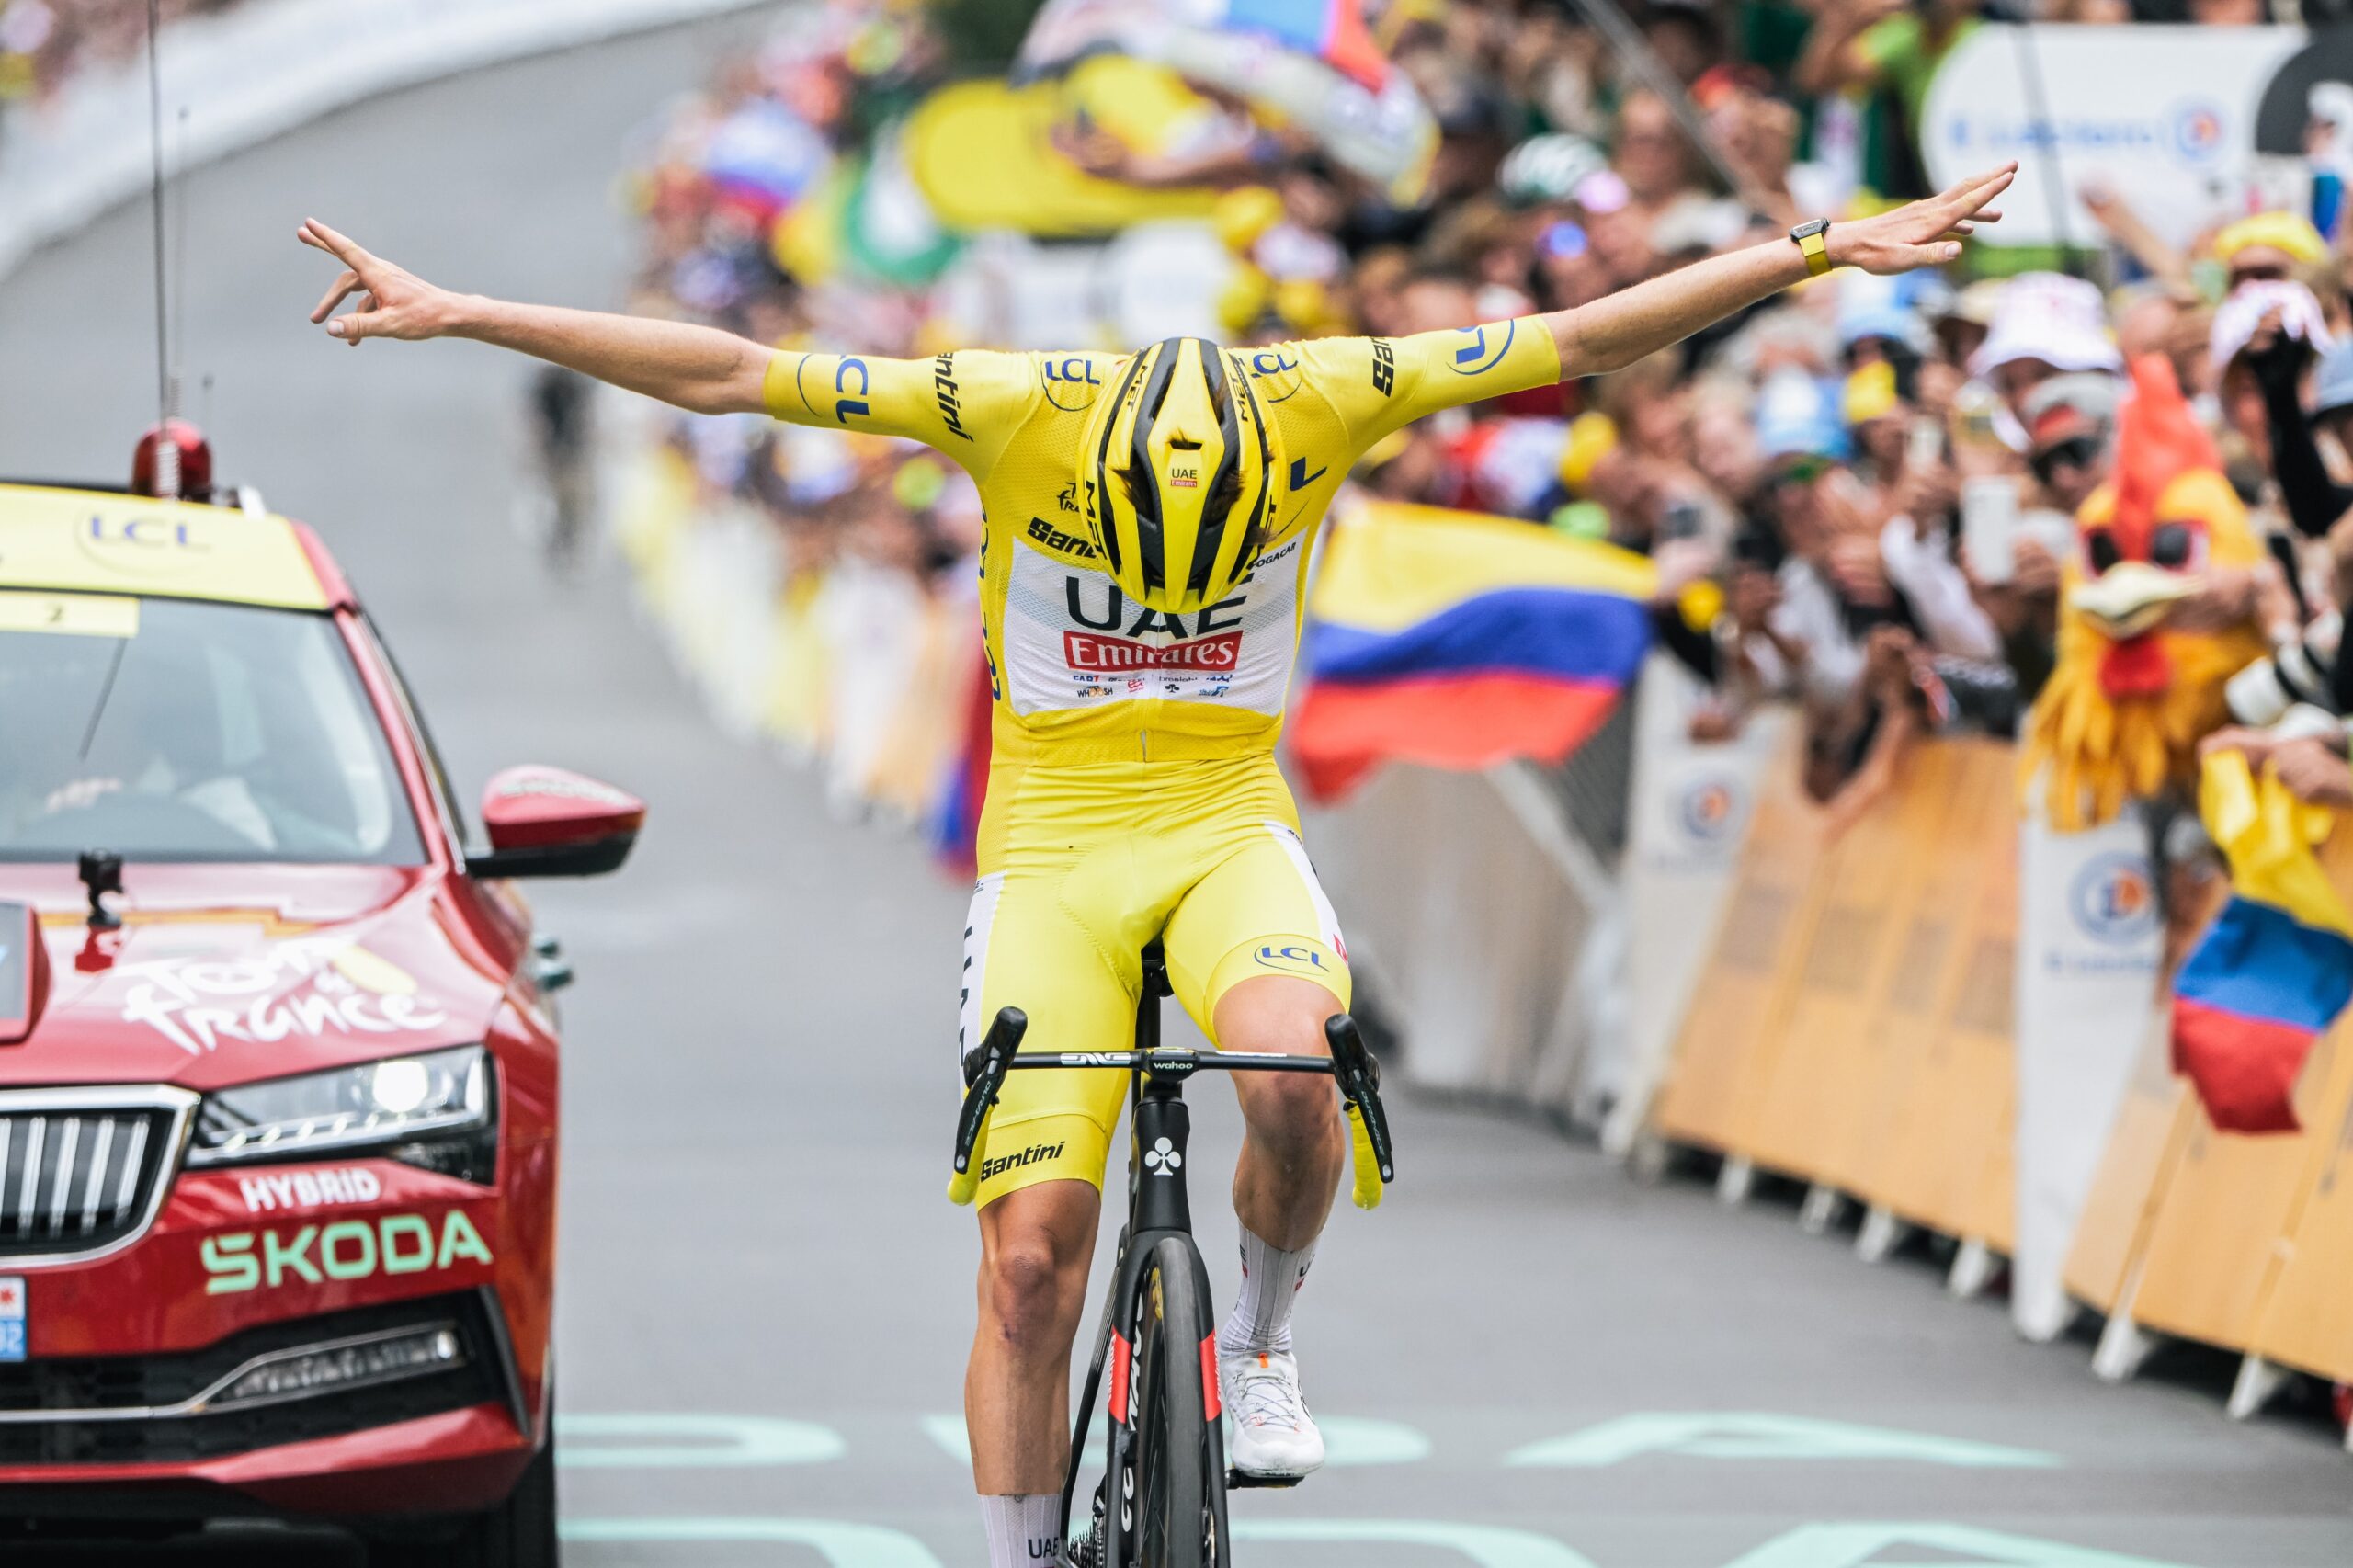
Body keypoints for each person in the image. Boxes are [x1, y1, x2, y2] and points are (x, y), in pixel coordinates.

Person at [293, 159, 2013, 1568]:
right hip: (1046, 851)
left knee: (1288, 1070)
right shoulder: (1006, 400)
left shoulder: (1332, 389)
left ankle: (1256, 1341)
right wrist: (467, 309)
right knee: (1033, 1249)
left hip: (1221, 829)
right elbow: (735, 372)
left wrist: (1815, 250)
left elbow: (1581, 336)